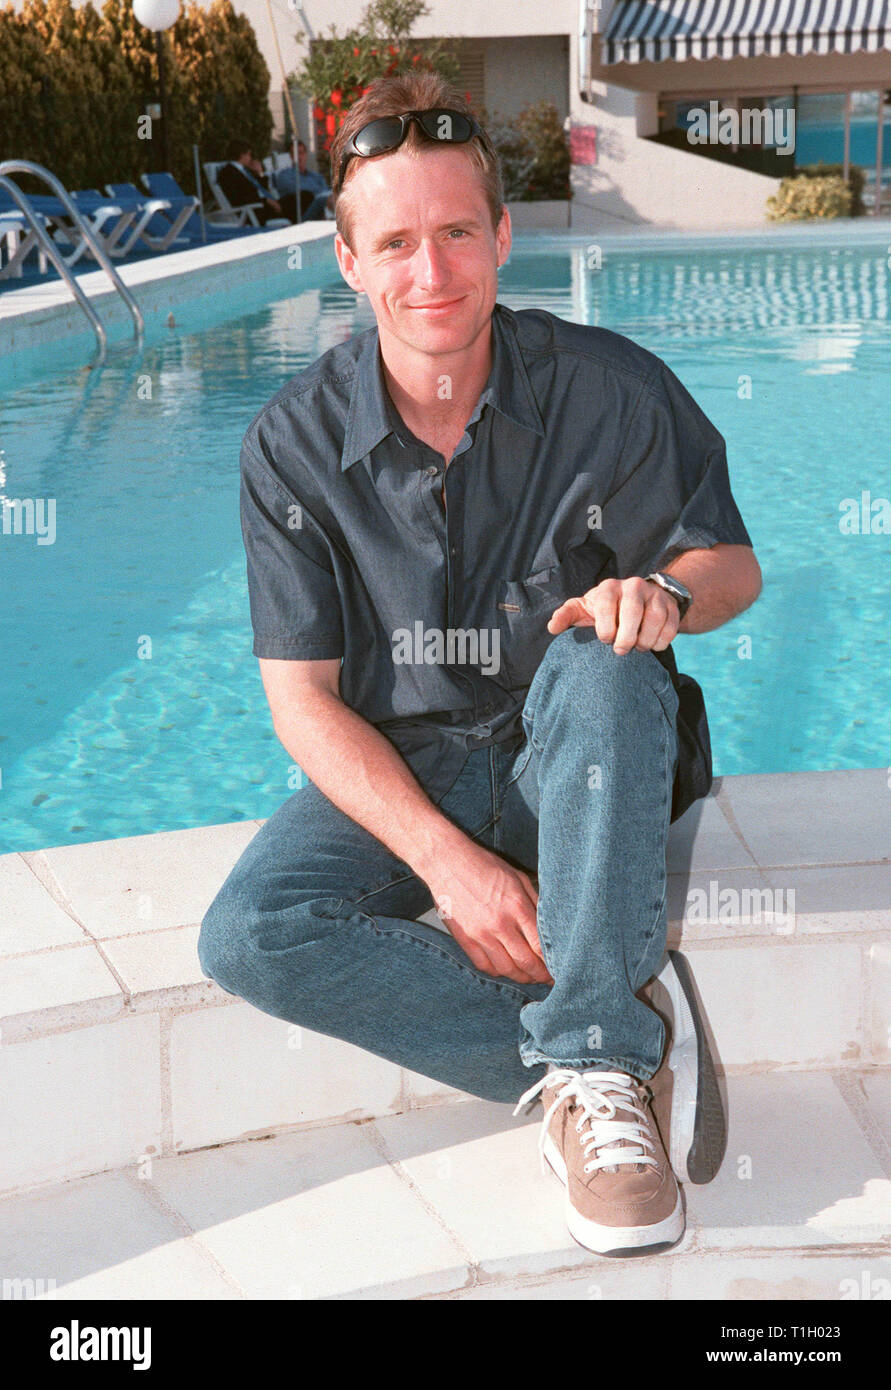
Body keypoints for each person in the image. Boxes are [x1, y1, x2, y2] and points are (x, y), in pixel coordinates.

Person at [199, 72, 762, 1258]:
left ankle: (599, 1063)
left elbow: (730, 565)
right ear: (349, 261)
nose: (433, 273)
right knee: (251, 936)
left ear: (504, 235)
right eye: (396, 241)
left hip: (585, 743)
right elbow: (301, 703)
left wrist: (659, 592)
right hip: (421, 762)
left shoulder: (610, 389)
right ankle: (618, 1026)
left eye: (457, 231)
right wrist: (448, 865)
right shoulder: (291, 446)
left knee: (608, 660)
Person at [216, 138, 300, 225]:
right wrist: (267, 201)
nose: (251, 158)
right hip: (257, 211)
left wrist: (260, 173)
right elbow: (244, 197)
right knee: (298, 206)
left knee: (302, 197)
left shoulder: (245, 171)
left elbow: (263, 189)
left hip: (265, 205)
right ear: (241, 155)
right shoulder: (229, 173)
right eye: (249, 154)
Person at [274, 139, 334, 221]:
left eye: (301, 153)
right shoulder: (284, 175)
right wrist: (319, 194)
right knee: (323, 199)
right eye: (295, 154)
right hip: (302, 214)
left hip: (324, 207)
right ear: (291, 156)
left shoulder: (316, 176)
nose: (299, 157)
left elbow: (326, 192)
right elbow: (301, 193)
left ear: (306, 154)